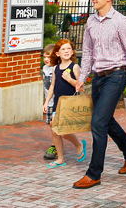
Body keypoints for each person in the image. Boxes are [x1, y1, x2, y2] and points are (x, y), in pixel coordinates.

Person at [73, 0, 126, 190]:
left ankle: (94, 174)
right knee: (106, 121)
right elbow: (88, 52)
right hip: (98, 77)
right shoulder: (91, 22)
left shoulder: (121, 22)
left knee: (98, 124)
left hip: (116, 76)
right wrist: (82, 77)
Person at [43, 39, 86, 168]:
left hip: (69, 103)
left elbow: (80, 87)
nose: (66, 51)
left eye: (68, 49)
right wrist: (46, 102)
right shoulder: (56, 68)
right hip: (57, 103)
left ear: (72, 51)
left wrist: (70, 79)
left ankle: (78, 144)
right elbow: (52, 86)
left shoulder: (74, 67)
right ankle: (60, 158)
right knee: (54, 130)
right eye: (63, 49)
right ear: (57, 53)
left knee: (58, 130)